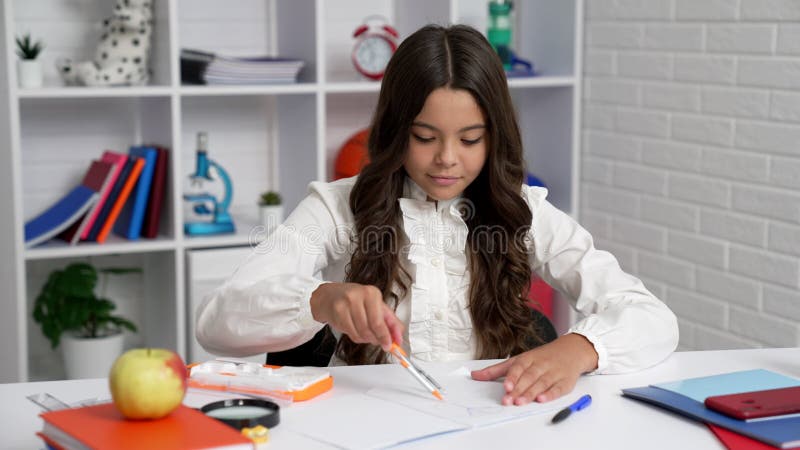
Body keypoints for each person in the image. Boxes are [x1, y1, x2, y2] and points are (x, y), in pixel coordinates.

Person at [196, 24, 679, 406]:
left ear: (495, 136)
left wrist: (581, 349)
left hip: (493, 422)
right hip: (360, 426)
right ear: (394, 130)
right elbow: (216, 323)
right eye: (425, 137)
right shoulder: (338, 206)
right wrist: (323, 300)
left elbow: (653, 318)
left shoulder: (523, 210)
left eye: (470, 139)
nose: (447, 158)